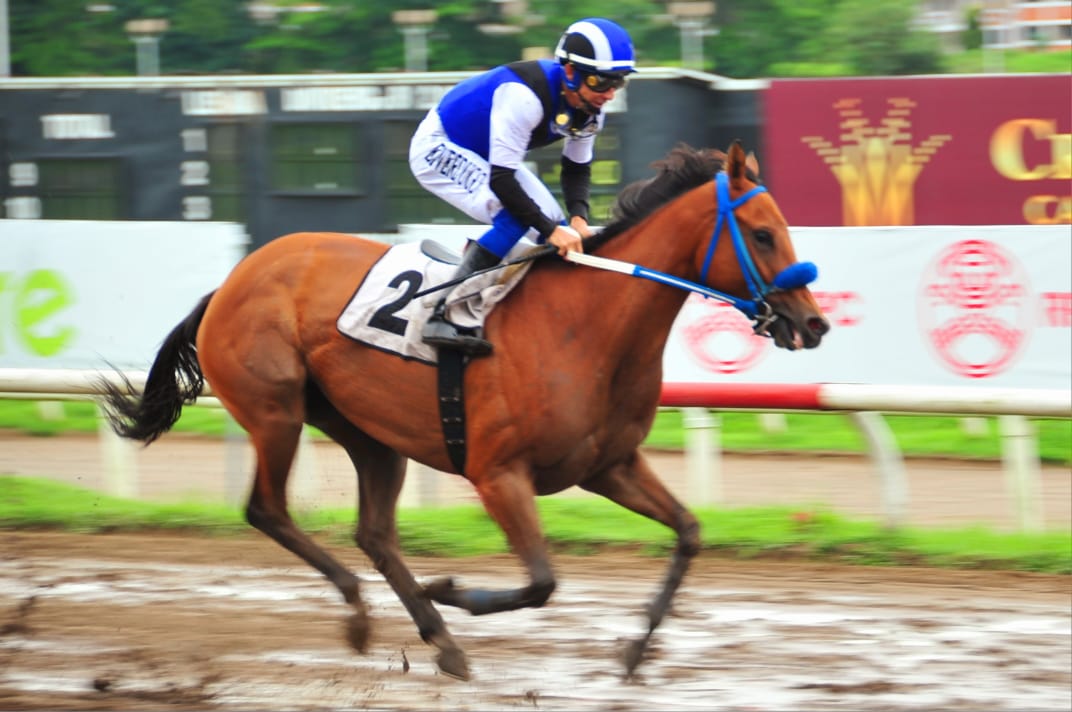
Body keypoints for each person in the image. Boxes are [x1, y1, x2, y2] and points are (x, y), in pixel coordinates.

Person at [409, 17, 636, 355]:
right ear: (570, 72)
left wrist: (578, 219)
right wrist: (550, 229)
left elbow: (576, 169)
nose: (609, 94)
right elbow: (503, 182)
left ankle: (534, 314)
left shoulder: (591, 108)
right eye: (601, 82)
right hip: (440, 146)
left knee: (557, 229)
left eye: (618, 83)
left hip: (486, 153)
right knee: (522, 218)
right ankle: (443, 309)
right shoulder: (523, 96)